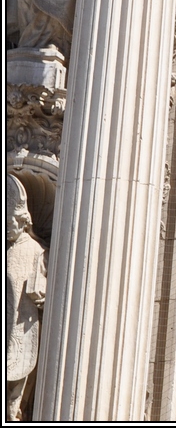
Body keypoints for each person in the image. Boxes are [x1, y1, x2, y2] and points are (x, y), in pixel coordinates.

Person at [6, 176, 46, 422]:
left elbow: (40, 290)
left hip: (22, 328)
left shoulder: (35, 250)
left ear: (22, 222)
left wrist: (38, 291)